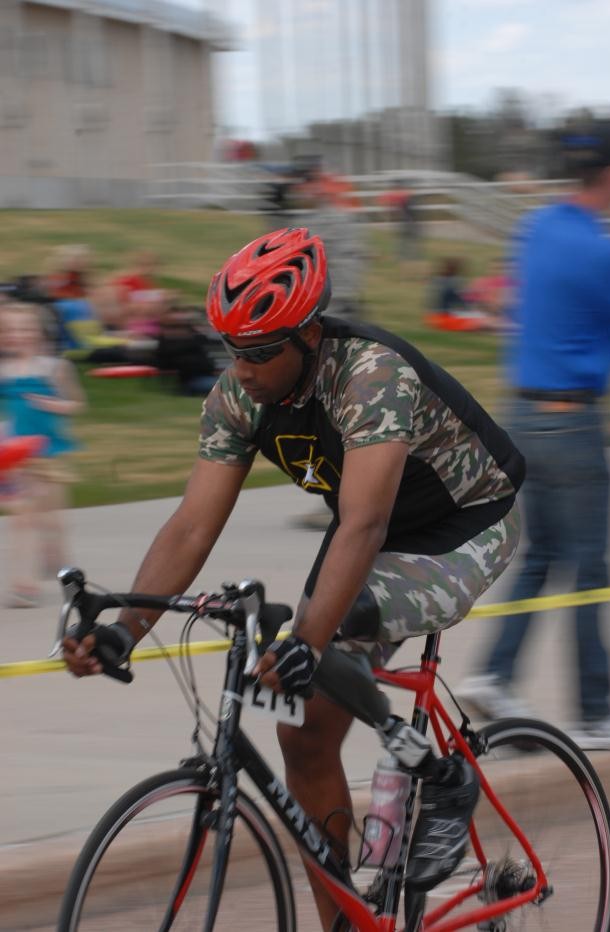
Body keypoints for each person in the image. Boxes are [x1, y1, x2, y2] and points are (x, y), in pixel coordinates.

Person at [62, 227, 525, 929]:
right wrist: (125, 631)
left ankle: (443, 775)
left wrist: (309, 640)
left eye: (259, 352)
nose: (242, 369)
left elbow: (365, 524)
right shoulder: (237, 398)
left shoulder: (370, 376)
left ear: (309, 334)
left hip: (464, 525)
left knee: (326, 631)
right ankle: (344, 920)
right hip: (368, 530)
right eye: (231, 349)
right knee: (300, 731)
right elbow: (191, 526)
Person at [456, 124, 610, 747]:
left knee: (543, 555)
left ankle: (494, 674)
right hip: (573, 422)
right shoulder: (604, 253)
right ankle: (595, 712)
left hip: (521, 419)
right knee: (590, 570)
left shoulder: (533, 230)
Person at [0, 302, 85, 606]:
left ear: (38, 331)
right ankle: (24, 585)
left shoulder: (55, 368)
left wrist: (54, 405)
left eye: (24, 328)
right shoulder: (4, 371)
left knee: (52, 520)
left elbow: (77, 403)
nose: (17, 335)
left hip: (49, 452)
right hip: (16, 455)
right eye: (9, 329)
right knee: (23, 518)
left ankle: (61, 564)